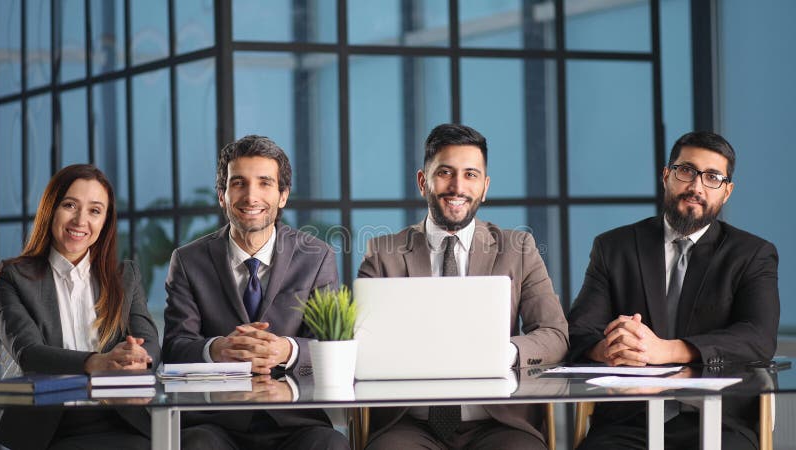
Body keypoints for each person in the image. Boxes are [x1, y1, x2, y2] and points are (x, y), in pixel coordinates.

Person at [358, 123, 569, 450]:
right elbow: (361, 344)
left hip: (499, 423)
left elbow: (555, 334)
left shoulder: (519, 249)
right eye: (445, 172)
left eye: (470, 175)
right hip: (410, 425)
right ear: (422, 181)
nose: (457, 186)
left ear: (484, 187)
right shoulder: (383, 254)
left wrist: (505, 352)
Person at [567, 131, 780, 450]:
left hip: (719, 422)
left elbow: (757, 337)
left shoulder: (752, 253)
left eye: (712, 178)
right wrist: (613, 349)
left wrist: (666, 350)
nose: (696, 187)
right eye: (686, 171)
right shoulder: (614, 247)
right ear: (666, 176)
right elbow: (579, 330)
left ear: (727, 192)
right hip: (628, 421)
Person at [162, 135, 349, 450]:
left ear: (283, 196)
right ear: (222, 195)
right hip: (215, 421)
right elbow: (174, 348)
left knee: (331, 445)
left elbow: (332, 346)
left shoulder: (316, 256)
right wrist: (217, 350)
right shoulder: (188, 260)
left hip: (295, 420)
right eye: (239, 183)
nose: (251, 196)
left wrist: (285, 350)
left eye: (265, 183)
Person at [0, 164, 159, 450]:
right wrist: (96, 363)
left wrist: (137, 358)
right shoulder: (13, 277)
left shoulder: (125, 276)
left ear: (106, 220)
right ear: (51, 209)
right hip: (48, 427)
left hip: (122, 419)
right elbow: (29, 353)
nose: (81, 220)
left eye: (95, 210)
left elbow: (151, 343)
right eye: (70, 205)